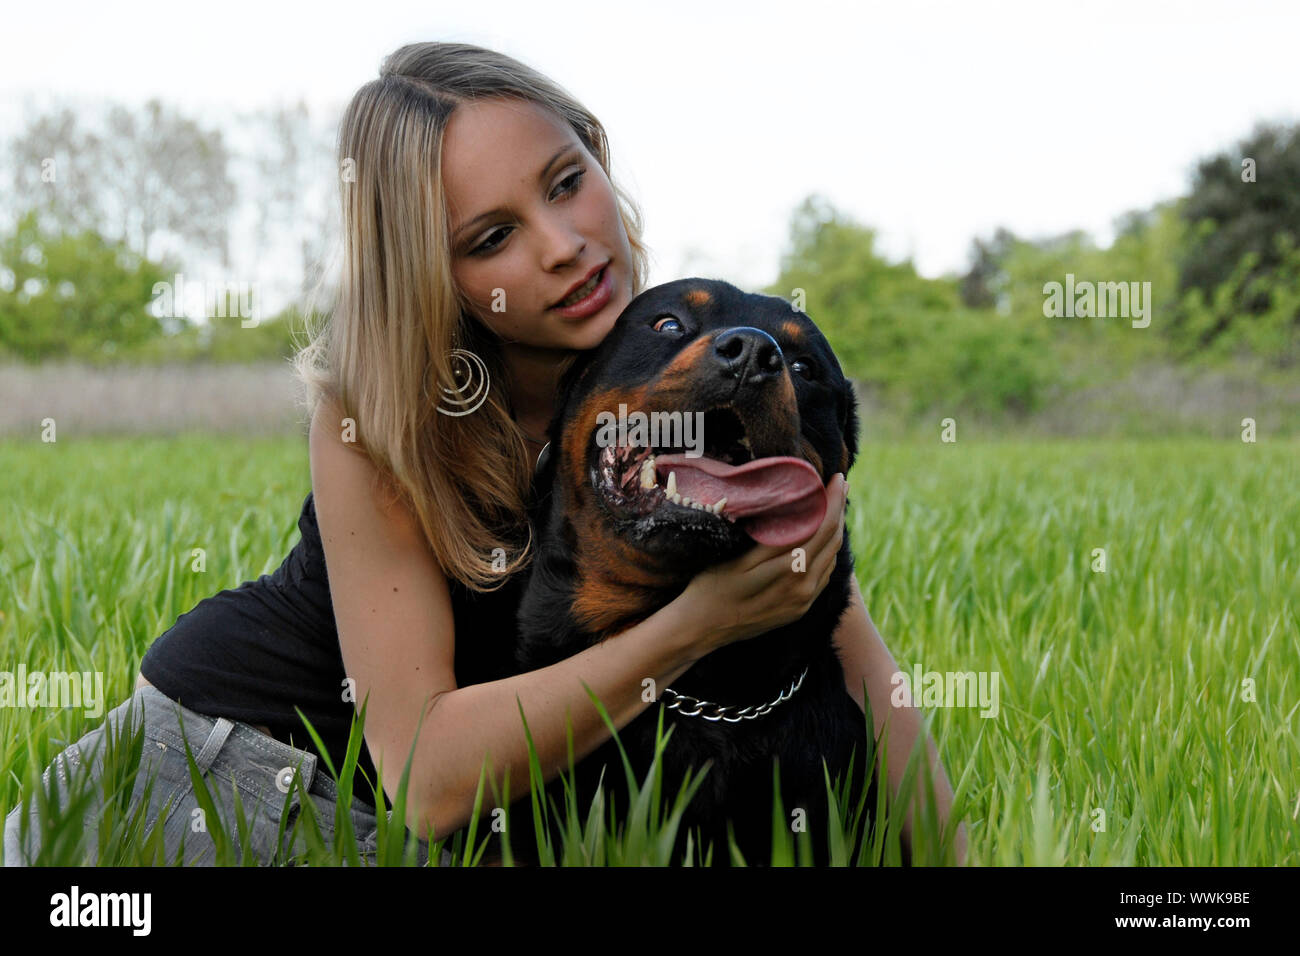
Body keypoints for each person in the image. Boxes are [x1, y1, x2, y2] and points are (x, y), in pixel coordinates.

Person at [4, 41, 965, 867]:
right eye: (494, 235)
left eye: (565, 182)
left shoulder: (665, 358)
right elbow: (427, 781)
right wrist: (695, 629)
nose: (564, 245)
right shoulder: (382, 415)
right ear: (438, 272)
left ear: (596, 154)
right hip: (218, 769)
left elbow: (850, 650)